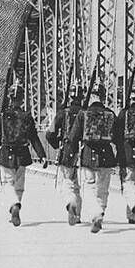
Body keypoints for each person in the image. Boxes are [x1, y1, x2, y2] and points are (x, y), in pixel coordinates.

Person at [65, 81, 124, 234]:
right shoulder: (111, 114)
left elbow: (73, 138)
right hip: (106, 157)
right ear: (104, 97)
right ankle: (99, 214)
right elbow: (119, 139)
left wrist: (72, 155)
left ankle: (95, 212)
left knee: (90, 188)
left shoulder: (83, 114)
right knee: (103, 189)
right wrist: (119, 157)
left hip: (88, 156)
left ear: (90, 96)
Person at [0, 86, 47, 227]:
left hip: (6, 153)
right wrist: (42, 155)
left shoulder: (2, 115)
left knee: (7, 183)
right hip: (22, 155)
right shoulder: (27, 117)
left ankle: (14, 205)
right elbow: (34, 138)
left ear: (9, 97)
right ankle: (17, 204)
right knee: (19, 184)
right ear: (21, 99)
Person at [112, 77, 135, 226]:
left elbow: (116, 135)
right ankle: (133, 213)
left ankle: (134, 207)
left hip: (126, 153)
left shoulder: (124, 113)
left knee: (128, 183)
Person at [45, 79, 83, 225]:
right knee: (77, 186)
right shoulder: (85, 113)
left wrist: (57, 145)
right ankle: (77, 215)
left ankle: (71, 202)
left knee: (67, 182)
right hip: (84, 152)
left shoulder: (63, 113)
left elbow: (49, 134)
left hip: (67, 151)